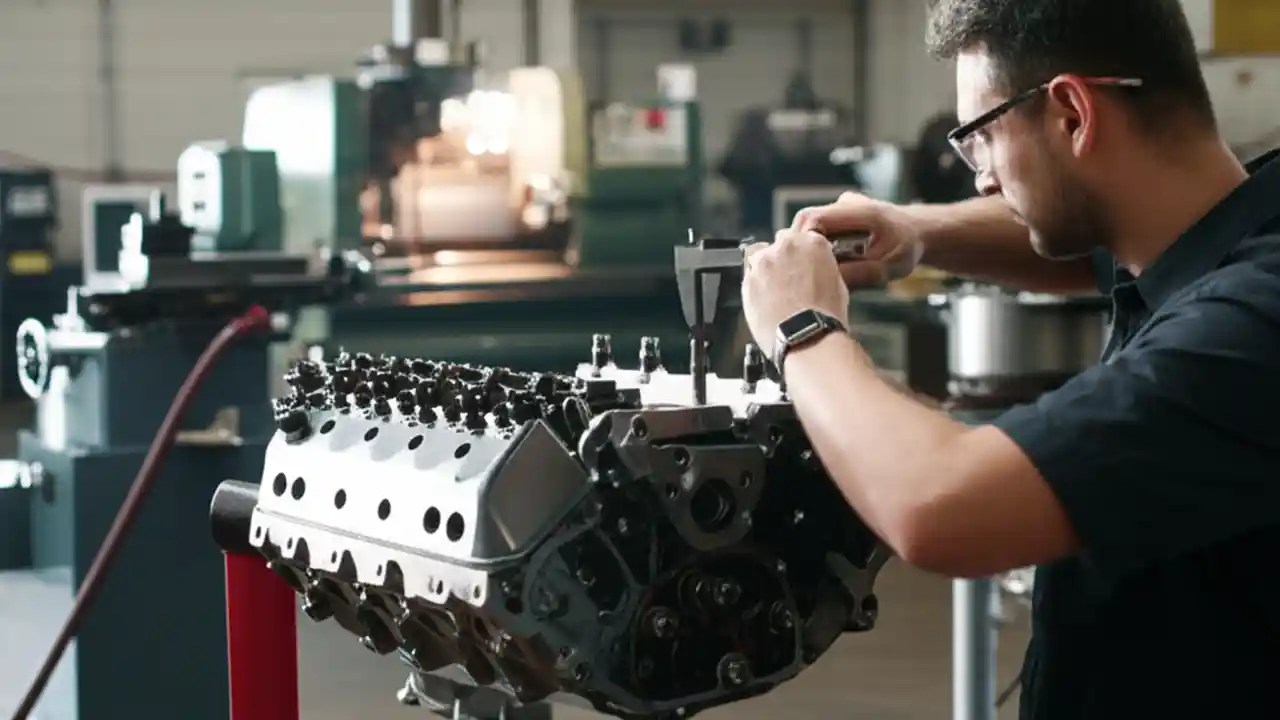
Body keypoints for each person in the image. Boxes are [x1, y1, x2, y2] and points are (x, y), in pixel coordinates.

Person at [739, 1, 1280, 718]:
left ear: (1072, 114)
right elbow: (1086, 235)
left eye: (982, 139)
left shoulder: (1247, 327)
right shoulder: (1227, 216)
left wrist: (801, 329)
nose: (982, 179)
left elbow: (940, 504)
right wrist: (914, 232)